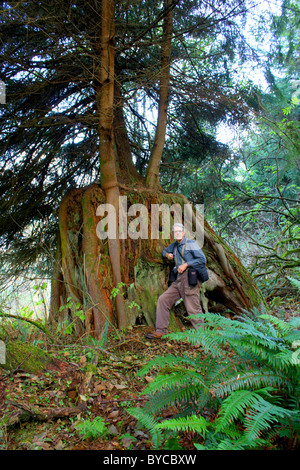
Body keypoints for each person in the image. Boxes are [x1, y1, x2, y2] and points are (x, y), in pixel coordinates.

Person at [146, 223, 208, 340]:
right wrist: (167, 255)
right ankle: (161, 330)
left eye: (179, 231)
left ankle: (202, 338)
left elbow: (202, 259)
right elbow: (164, 251)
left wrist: (186, 264)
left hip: (190, 279)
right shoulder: (174, 245)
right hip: (179, 279)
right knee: (163, 300)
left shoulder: (191, 244)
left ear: (184, 233)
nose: (178, 233)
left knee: (192, 308)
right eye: (175, 232)